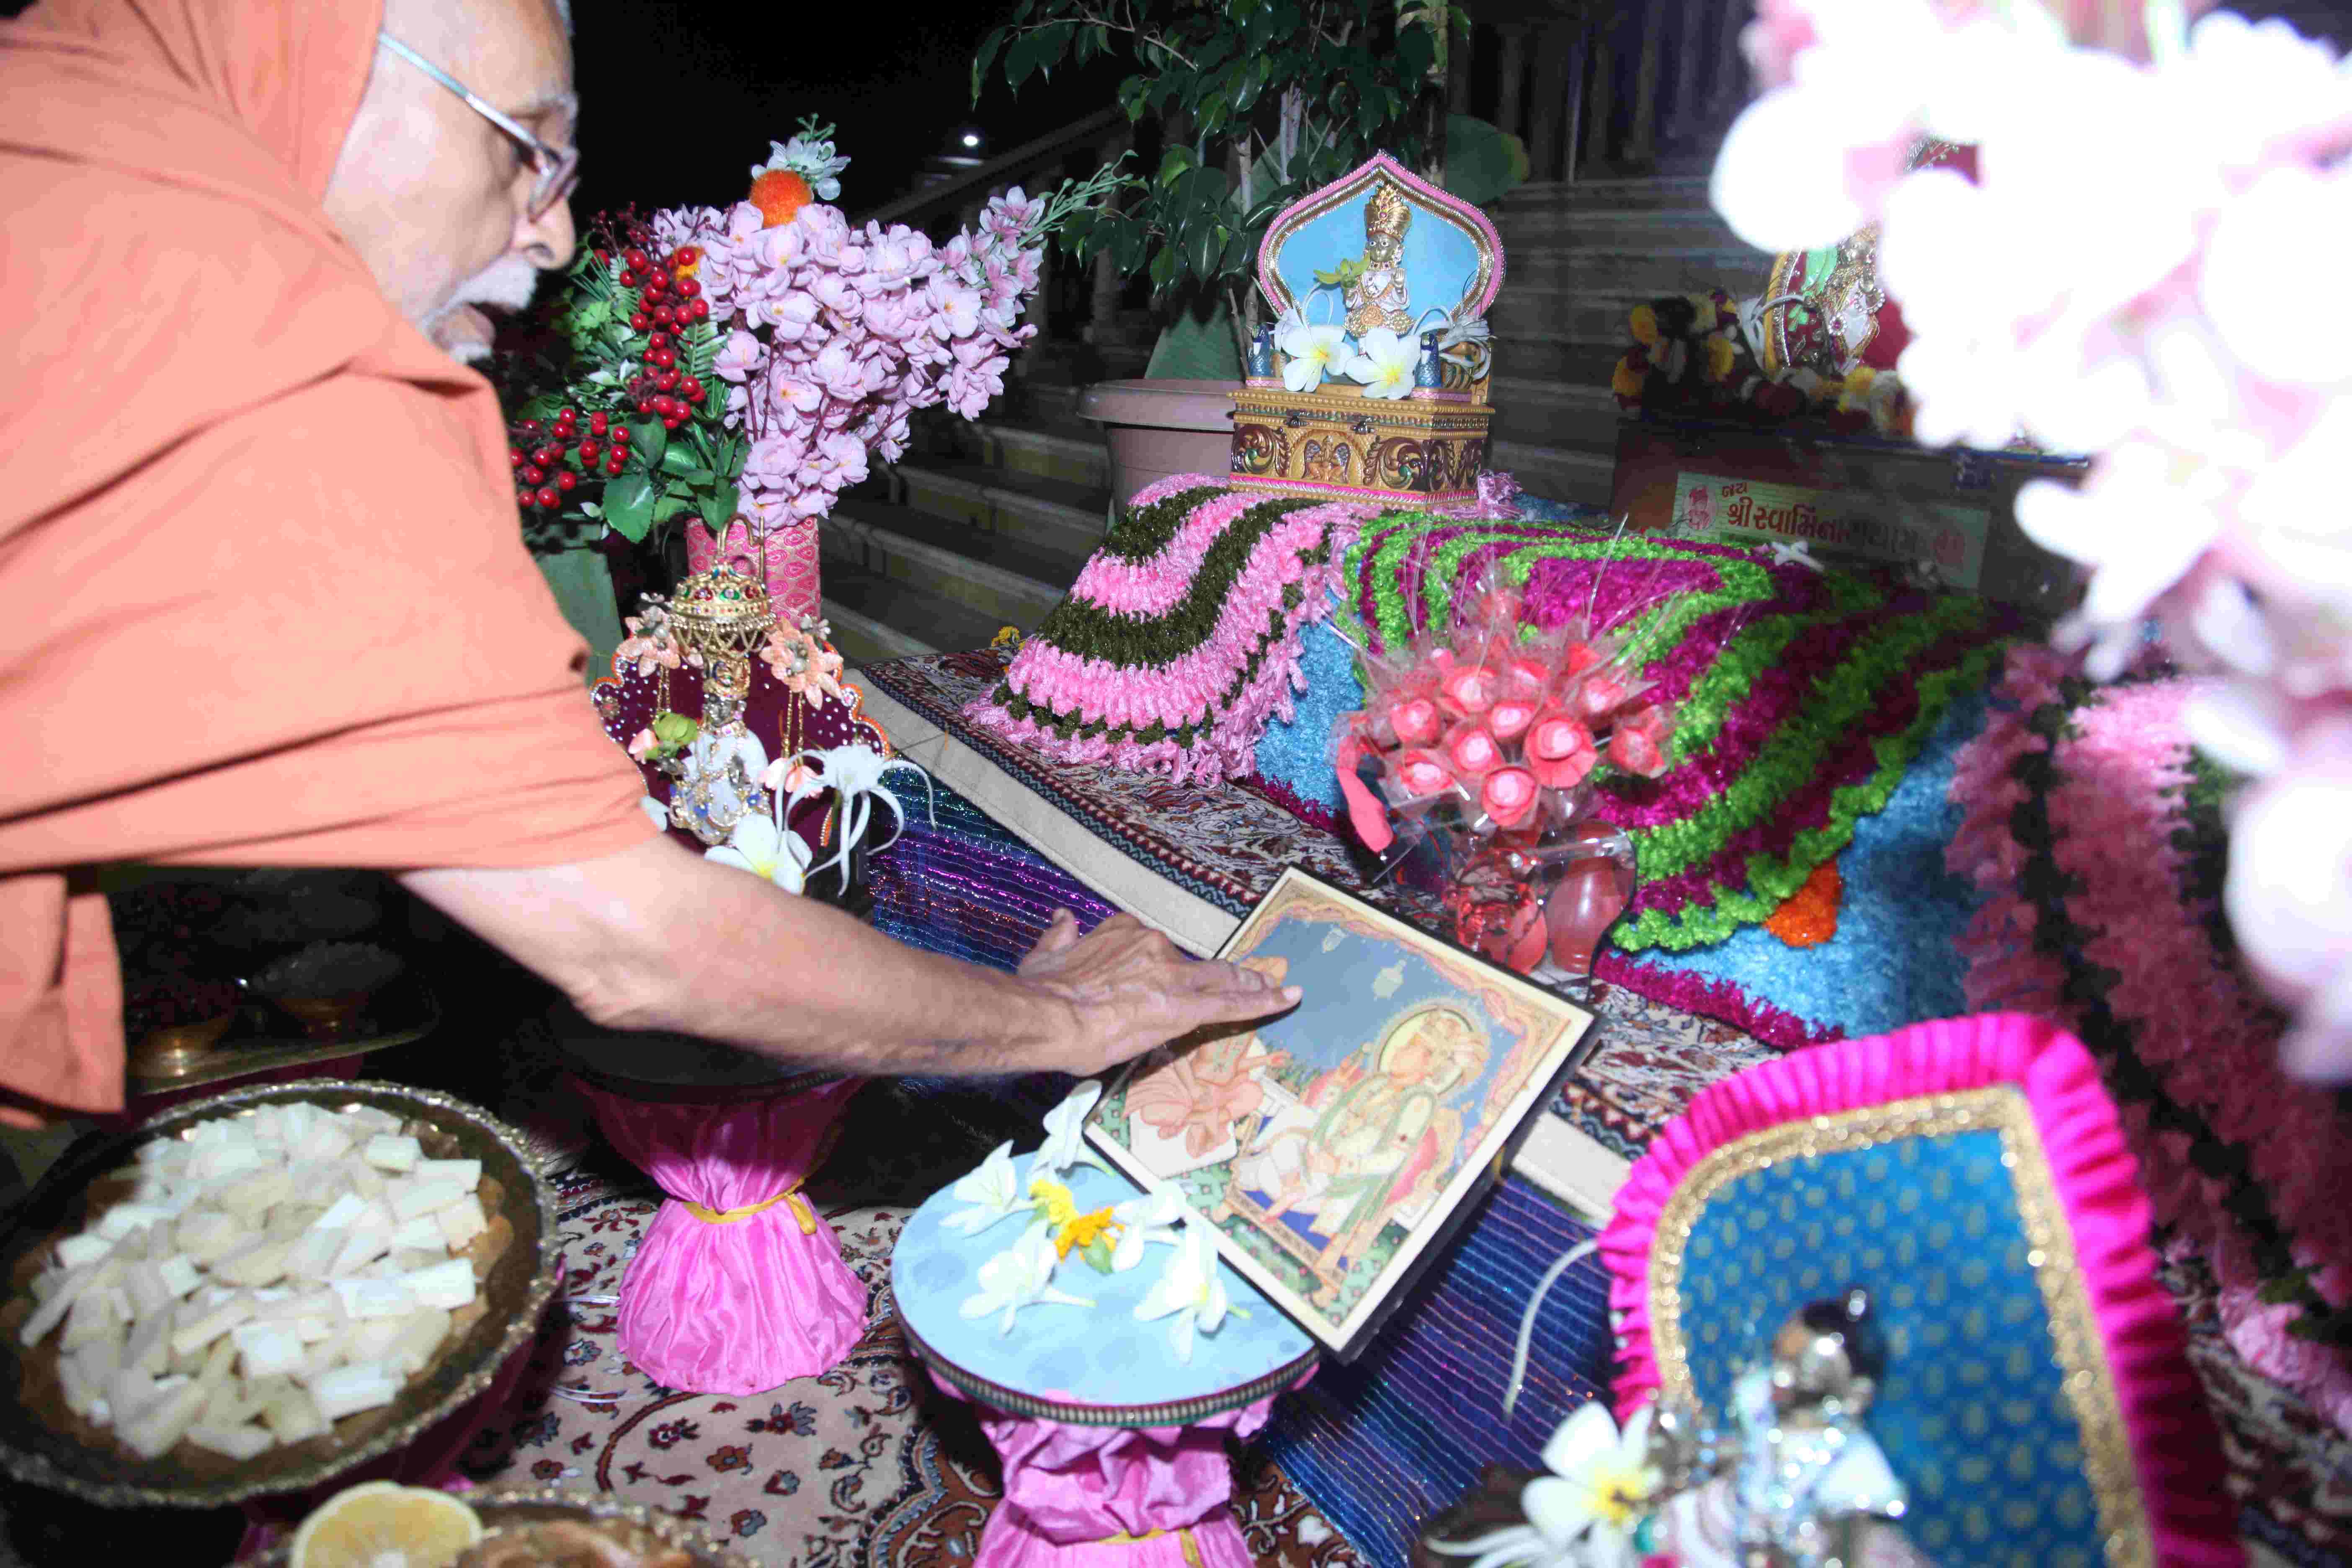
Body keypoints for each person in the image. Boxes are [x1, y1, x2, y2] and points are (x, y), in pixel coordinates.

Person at [0, 0, 1297, 1128]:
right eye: (524, 148)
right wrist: (1059, 1021)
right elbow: (635, 938)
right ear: (325, 62)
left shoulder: (72, 135)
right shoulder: (272, 342)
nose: (554, 236)